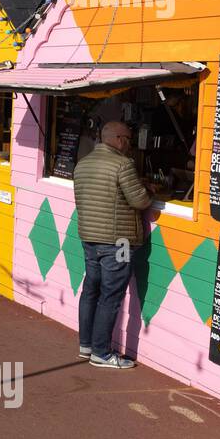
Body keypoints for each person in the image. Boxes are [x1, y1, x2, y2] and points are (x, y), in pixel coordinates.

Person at [73, 120, 157, 369]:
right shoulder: (122, 164)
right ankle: (101, 353)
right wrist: (149, 190)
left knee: (91, 289)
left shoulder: (82, 164)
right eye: (129, 140)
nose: (130, 145)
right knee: (111, 295)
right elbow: (140, 201)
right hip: (118, 240)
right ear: (119, 139)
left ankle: (86, 345)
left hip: (90, 237)